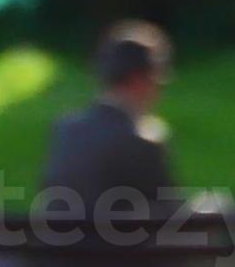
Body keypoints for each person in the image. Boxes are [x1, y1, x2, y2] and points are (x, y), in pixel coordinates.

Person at [40, 21, 175, 212]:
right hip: (121, 232)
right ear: (139, 79)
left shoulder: (65, 131)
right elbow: (171, 215)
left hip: (60, 232)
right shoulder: (144, 141)